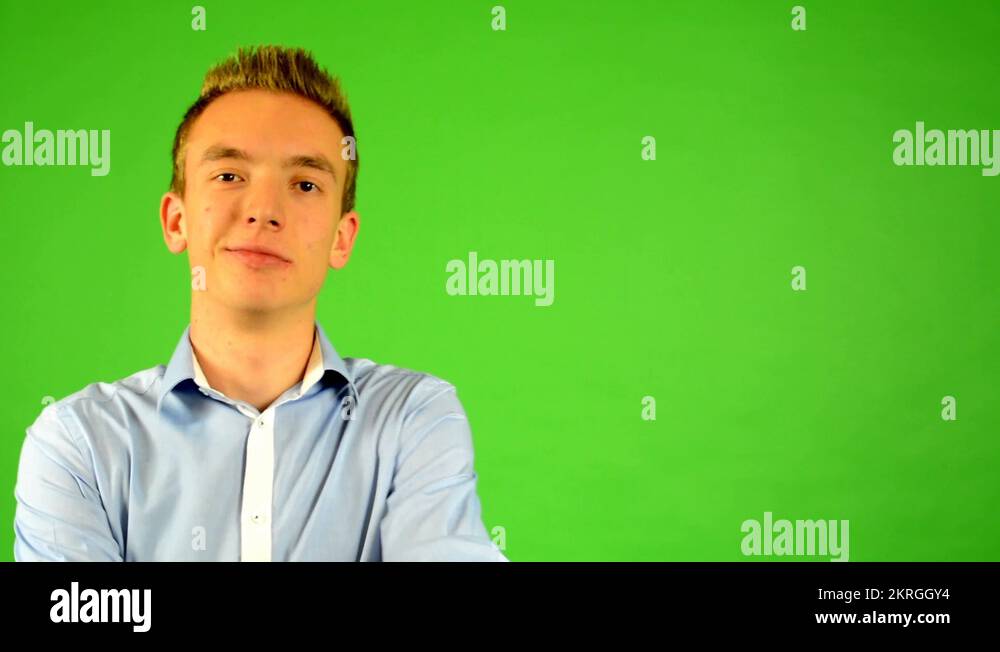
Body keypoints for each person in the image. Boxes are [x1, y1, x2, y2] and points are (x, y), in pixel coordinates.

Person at [13, 45, 507, 562]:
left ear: (343, 238)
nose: (264, 210)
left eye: (306, 183)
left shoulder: (414, 419)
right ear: (175, 220)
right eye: (229, 175)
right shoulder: (78, 444)